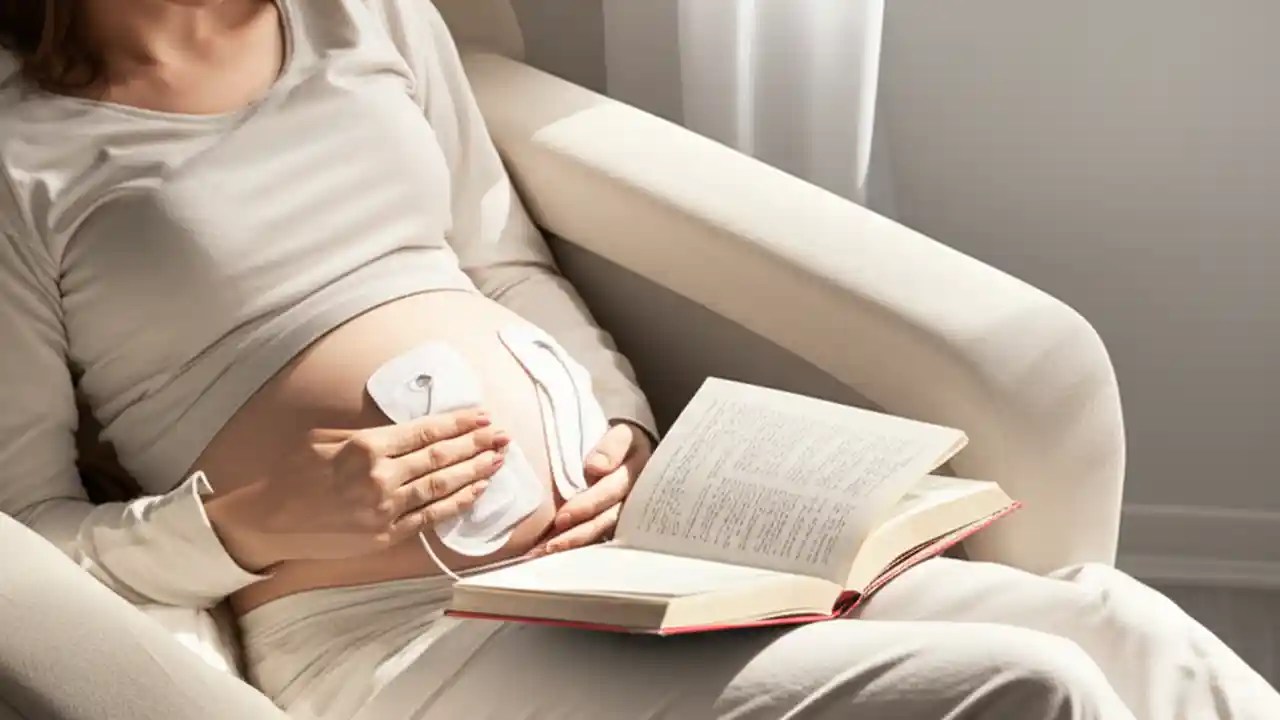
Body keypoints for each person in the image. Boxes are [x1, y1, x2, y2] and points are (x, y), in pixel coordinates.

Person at [0, 2, 1276, 719]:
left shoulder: (362, 14)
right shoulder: (21, 150)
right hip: (404, 636)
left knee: (1119, 624)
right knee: (1025, 688)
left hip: (632, 552)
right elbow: (25, 531)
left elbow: (500, 263)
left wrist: (619, 429)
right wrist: (237, 524)